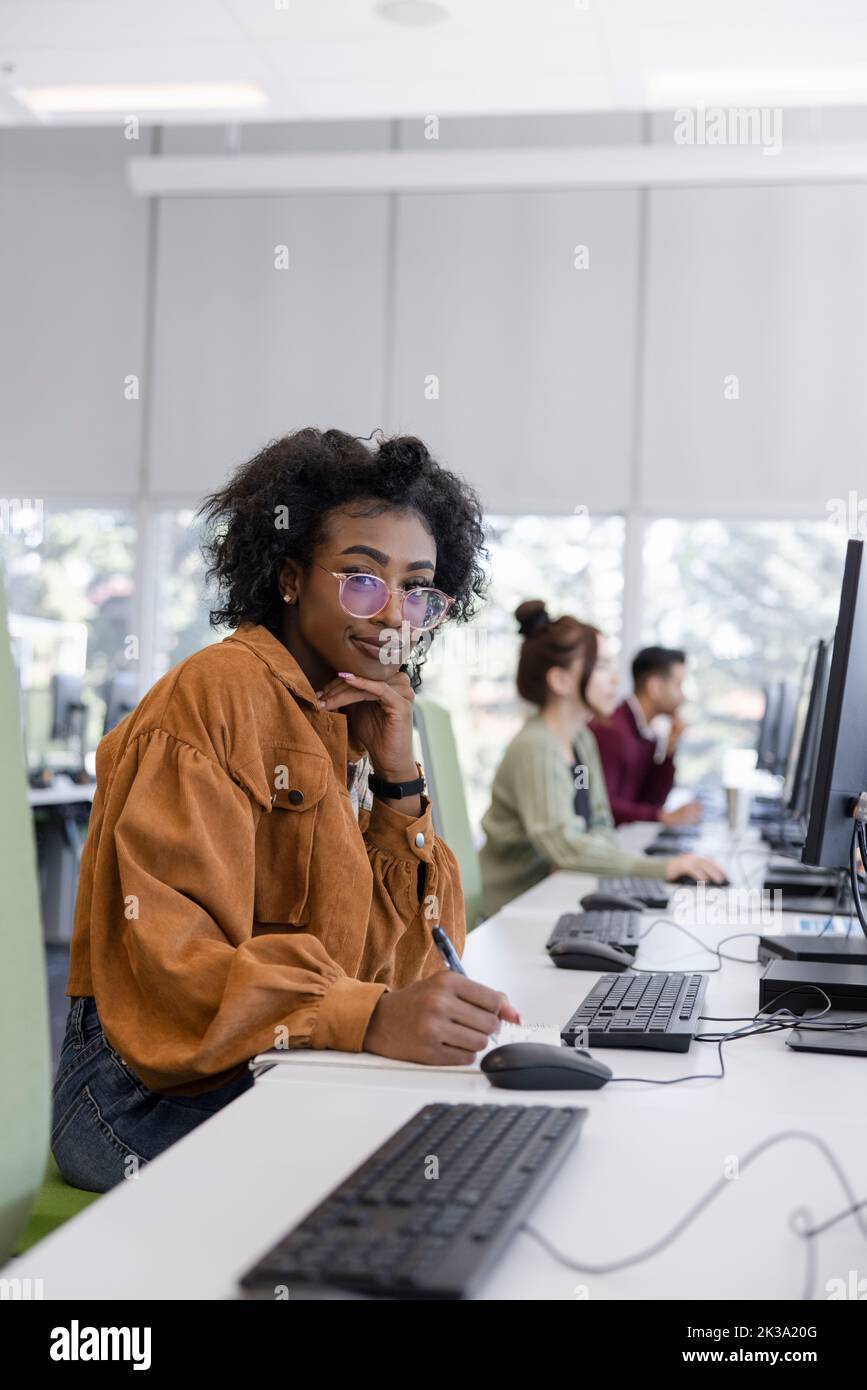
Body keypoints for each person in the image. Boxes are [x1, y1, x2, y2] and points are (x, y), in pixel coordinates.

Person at [52, 428, 520, 1193]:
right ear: (290, 577)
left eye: (418, 589)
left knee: (460, 1147)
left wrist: (399, 782)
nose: (392, 614)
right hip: (140, 1099)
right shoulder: (217, 695)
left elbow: (418, 968)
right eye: (362, 579)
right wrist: (365, 1017)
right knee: (415, 1176)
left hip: (278, 1064)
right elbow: (174, 966)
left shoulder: (349, 720)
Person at [479, 603, 726, 917]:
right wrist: (661, 867)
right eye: (602, 666)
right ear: (561, 681)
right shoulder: (538, 748)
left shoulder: (580, 741)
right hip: (514, 906)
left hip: (557, 893)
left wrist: (603, 858)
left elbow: (597, 820)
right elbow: (566, 846)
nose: (614, 681)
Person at [590, 646, 702, 827]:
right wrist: (662, 817)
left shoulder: (644, 733)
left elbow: (652, 802)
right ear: (655, 687)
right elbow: (602, 805)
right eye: (679, 685)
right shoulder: (611, 731)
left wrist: (669, 751)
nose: (683, 696)